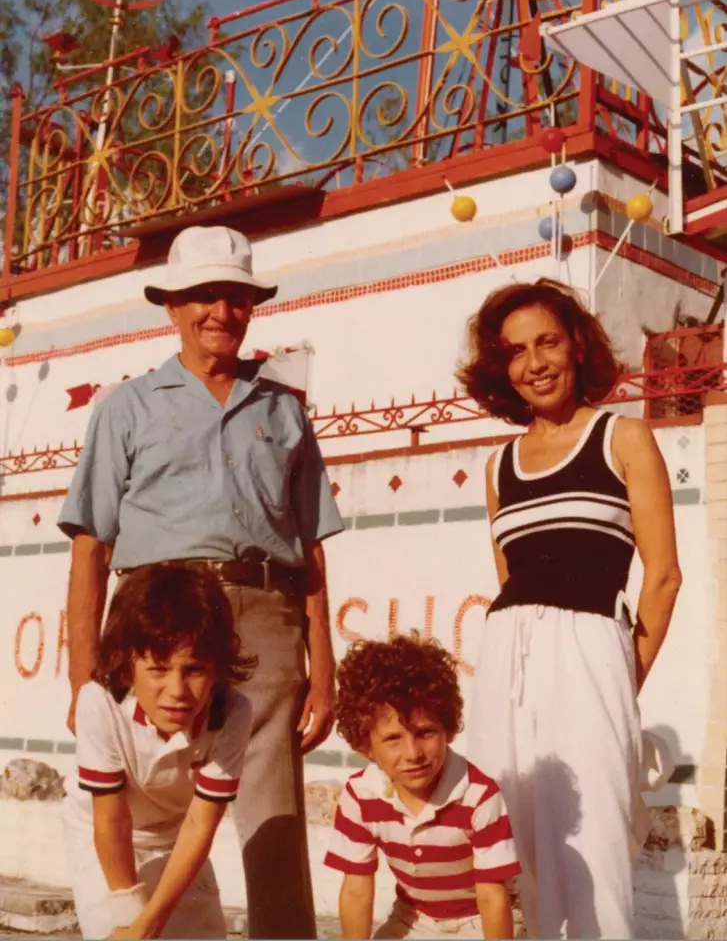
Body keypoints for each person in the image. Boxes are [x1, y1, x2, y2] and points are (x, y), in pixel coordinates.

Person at [58, 224, 345, 940]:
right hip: (154, 616)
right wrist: (81, 676)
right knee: (135, 797)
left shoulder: (284, 409)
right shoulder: (126, 406)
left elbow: (308, 548)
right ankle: (131, 926)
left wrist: (324, 664)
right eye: (203, 297)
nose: (222, 311)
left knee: (271, 809)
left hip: (263, 605)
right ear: (172, 306)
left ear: (252, 307)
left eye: (237, 297)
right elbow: (91, 547)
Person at [457, 278, 682, 940]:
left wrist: (620, 678)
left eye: (547, 342)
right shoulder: (499, 466)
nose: (534, 362)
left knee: (597, 850)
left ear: (577, 347)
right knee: (506, 840)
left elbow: (663, 578)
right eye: (516, 351)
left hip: (590, 652)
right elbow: (508, 579)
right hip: (506, 659)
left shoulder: (624, 437)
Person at [63, 563, 257, 939]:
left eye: (195, 669)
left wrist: (151, 921)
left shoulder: (234, 711)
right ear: (127, 667)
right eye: (158, 669)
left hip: (176, 835)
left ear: (219, 668)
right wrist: (128, 916)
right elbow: (112, 821)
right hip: (102, 833)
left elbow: (200, 824)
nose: (177, 691)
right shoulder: (98, 702)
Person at [324, 635, 521, 940]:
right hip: (414, 918)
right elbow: (356, 892)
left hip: (480, 920)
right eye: (393, 739)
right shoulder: (361, 795)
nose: (413, 753)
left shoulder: (478, 795)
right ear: (366, 745)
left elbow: (492, 897)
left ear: (448, 729)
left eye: (426, 732)